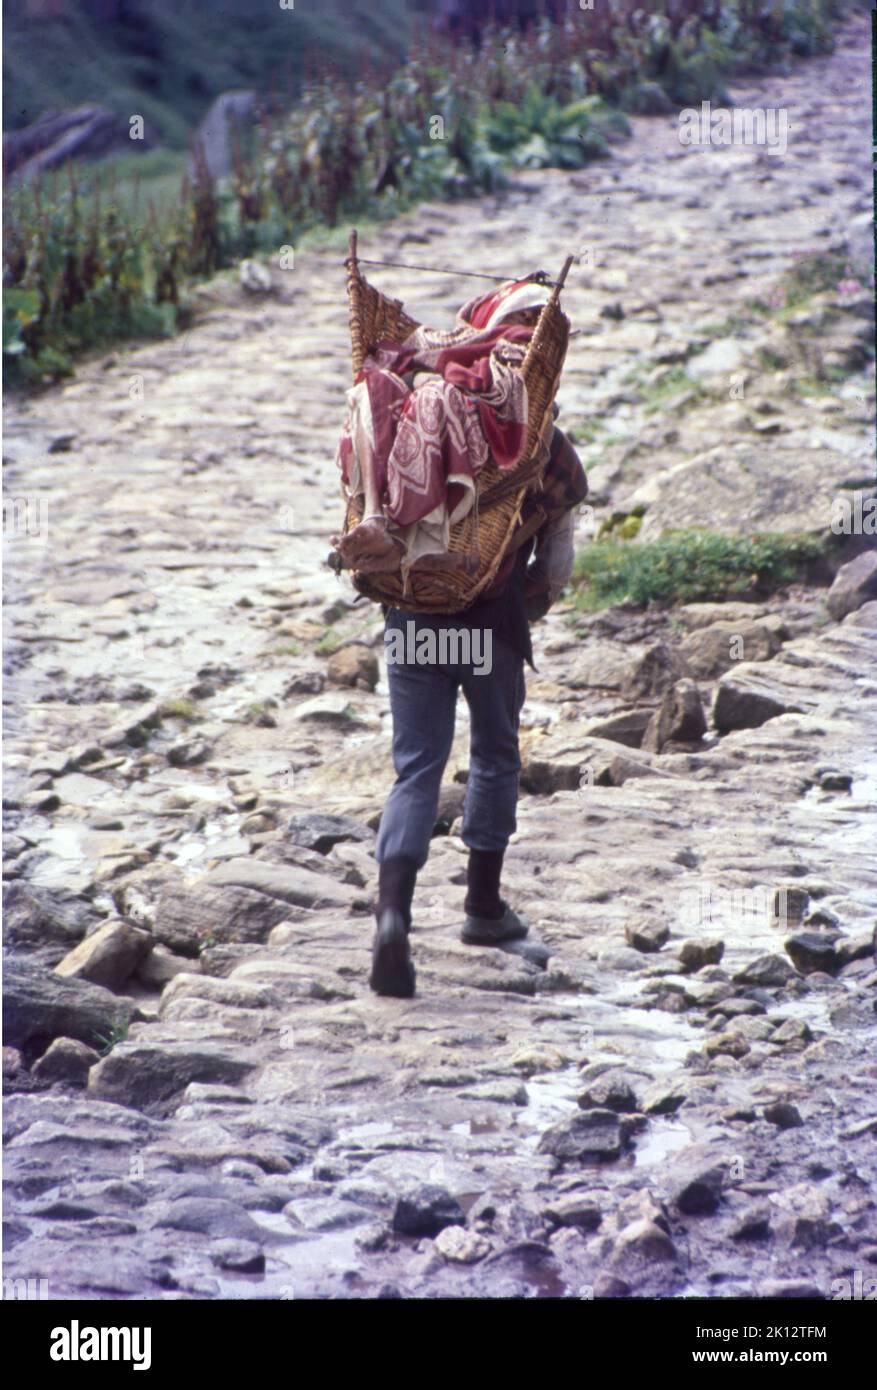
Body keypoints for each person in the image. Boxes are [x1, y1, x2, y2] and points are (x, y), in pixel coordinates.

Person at [369, 416, 588, 997]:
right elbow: (558, 567)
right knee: (494, 755)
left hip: (413, 626)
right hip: (490, 631)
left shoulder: (407, 429)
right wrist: (520, 603)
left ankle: (392, 915)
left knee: (416, 770)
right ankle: (483, 908)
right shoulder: (548, 451)